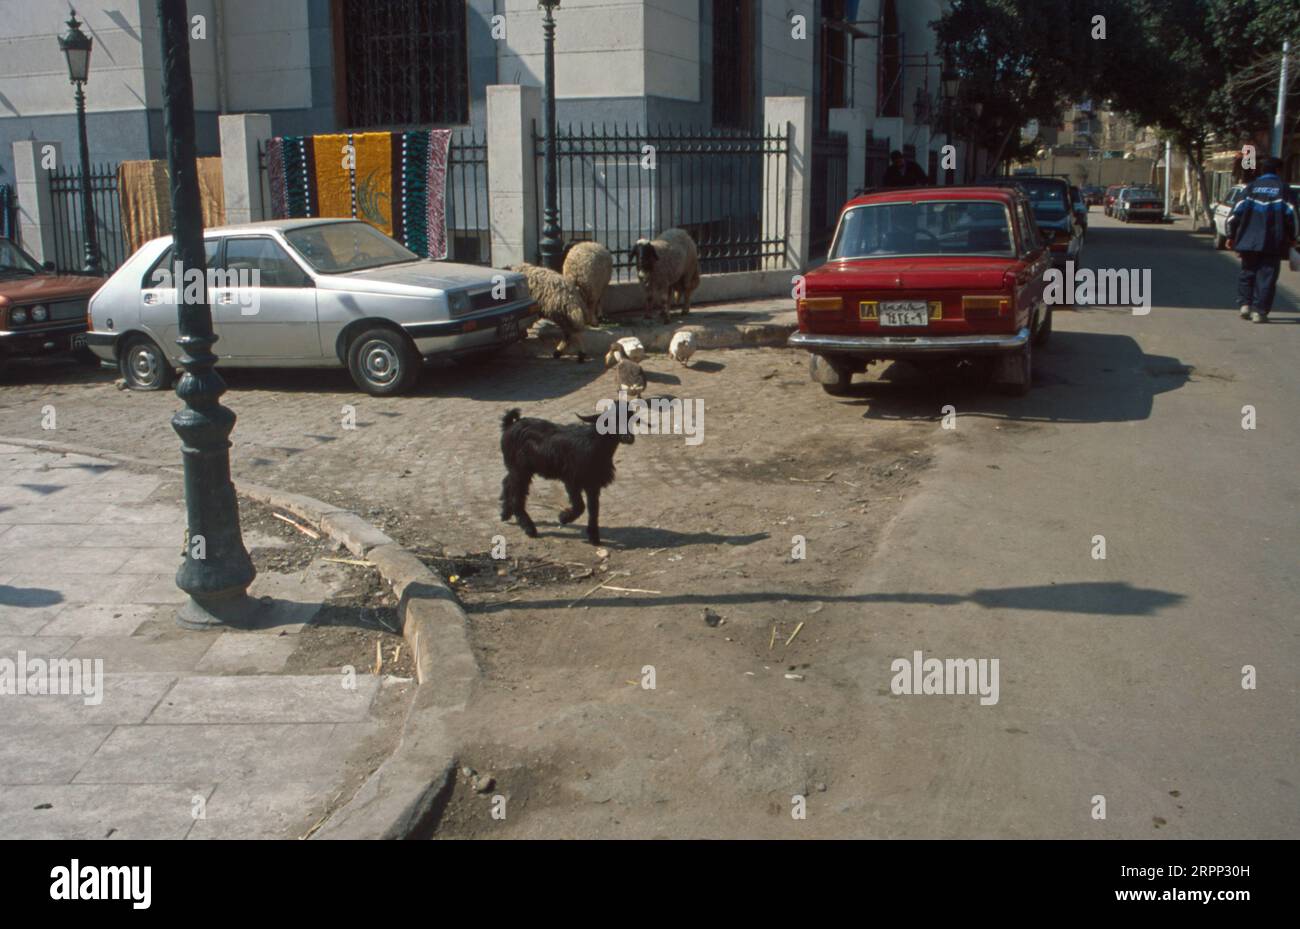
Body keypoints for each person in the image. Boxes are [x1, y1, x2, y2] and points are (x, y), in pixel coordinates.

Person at [1226, 156, 1299, 323]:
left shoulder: (1251, 188)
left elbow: (1235, 214)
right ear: (1279, 171)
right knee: (1266, 277)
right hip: (1273, 242)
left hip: (1247, 241)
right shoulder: (1283, 189)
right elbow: (1293, 217)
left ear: (1262, 170)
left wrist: (1231, 236)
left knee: (1247, 273)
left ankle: (1245, 305)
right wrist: (1294, 238)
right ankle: (1260, 312)